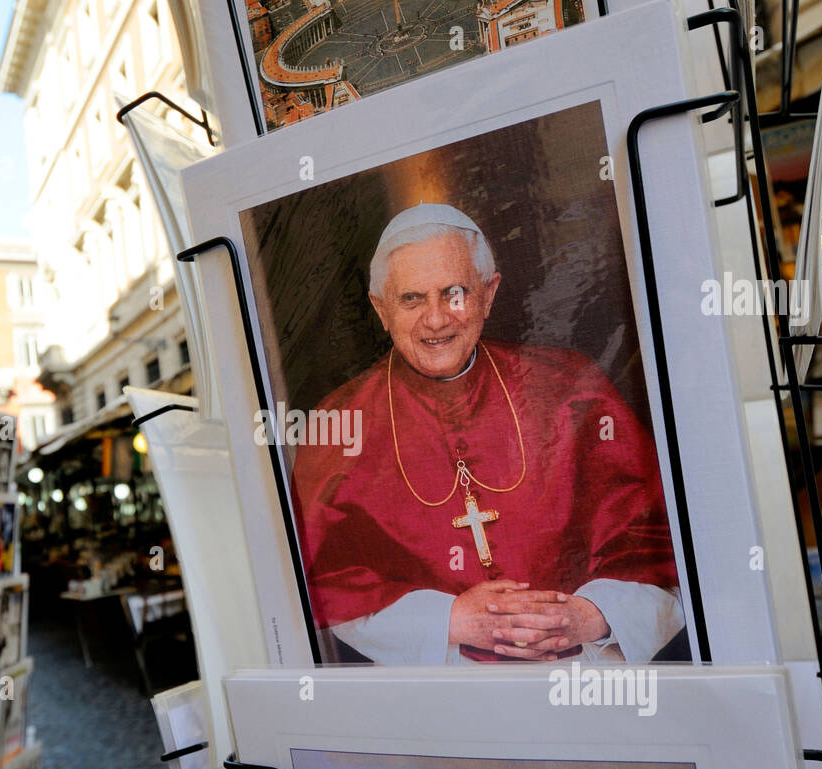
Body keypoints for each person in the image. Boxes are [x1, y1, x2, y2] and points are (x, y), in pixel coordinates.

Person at [290, 203, 684, 665]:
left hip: (583, 675)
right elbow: (324, 583)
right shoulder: (340, 424)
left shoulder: (571, 389)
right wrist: (450, 620)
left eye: (454, 293)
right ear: (381, 309)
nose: (436, 320)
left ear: (488, 294)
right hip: (440, 696)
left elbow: (666, 544)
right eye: (412, 299)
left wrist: (592, 615)